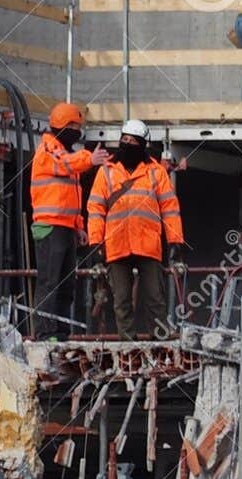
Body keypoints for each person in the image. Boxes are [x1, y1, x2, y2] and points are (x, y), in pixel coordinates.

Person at [87, 117, 184, 338]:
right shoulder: (107, 172)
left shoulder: (155, 172)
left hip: (147, 244)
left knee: (155, 300)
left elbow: (170, 208)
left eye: (133, 140)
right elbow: (96, 210)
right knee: (121, 302)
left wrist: (176, 240)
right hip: (116, 244)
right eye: (124, 139)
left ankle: (159, 348)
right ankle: (128, 350)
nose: (127, 144)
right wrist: (96, 243)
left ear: (143, 145)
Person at [29, 101, 94, 340]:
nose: (77, 130)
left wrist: (79, 225)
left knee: (66, 285)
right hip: (49, 225)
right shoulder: (49, 149)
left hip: (65, 226)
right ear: (62, 126)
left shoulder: (65, 152)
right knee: (50, 282)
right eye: (74, 125)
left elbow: (71, 196)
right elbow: (65, 165)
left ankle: (61, 331)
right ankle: (46, 333)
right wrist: (90, 157)